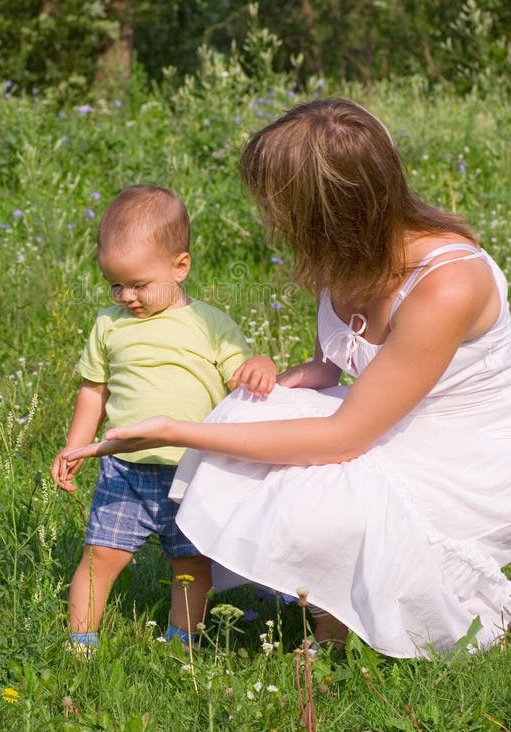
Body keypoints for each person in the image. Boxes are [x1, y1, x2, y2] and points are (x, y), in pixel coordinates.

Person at [69, 99, 511, 659]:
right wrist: (285, 383)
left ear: (331, 210)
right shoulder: (349, 256)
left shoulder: (446, 286)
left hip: (457, 457)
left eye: (279, 206)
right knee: (249, 415)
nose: (269, 221)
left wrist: (179, 430)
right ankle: (315, 599)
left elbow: (341, 438)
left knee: (303, 484)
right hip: (388, 416)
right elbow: (343, 362)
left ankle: (334, 632)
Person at [51, 185, 276, 653]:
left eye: (138, 284)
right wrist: (75, 447)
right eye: (115, 285)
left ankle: (182, 646)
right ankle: (78, 644)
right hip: (124, 469)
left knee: (192, 565)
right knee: (100, 556)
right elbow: (94, 391)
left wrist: (263, 366)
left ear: (180, 267)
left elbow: (242, 376)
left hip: (193, 468)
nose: (127, 296)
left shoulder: (210, 324)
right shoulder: (109, 325)